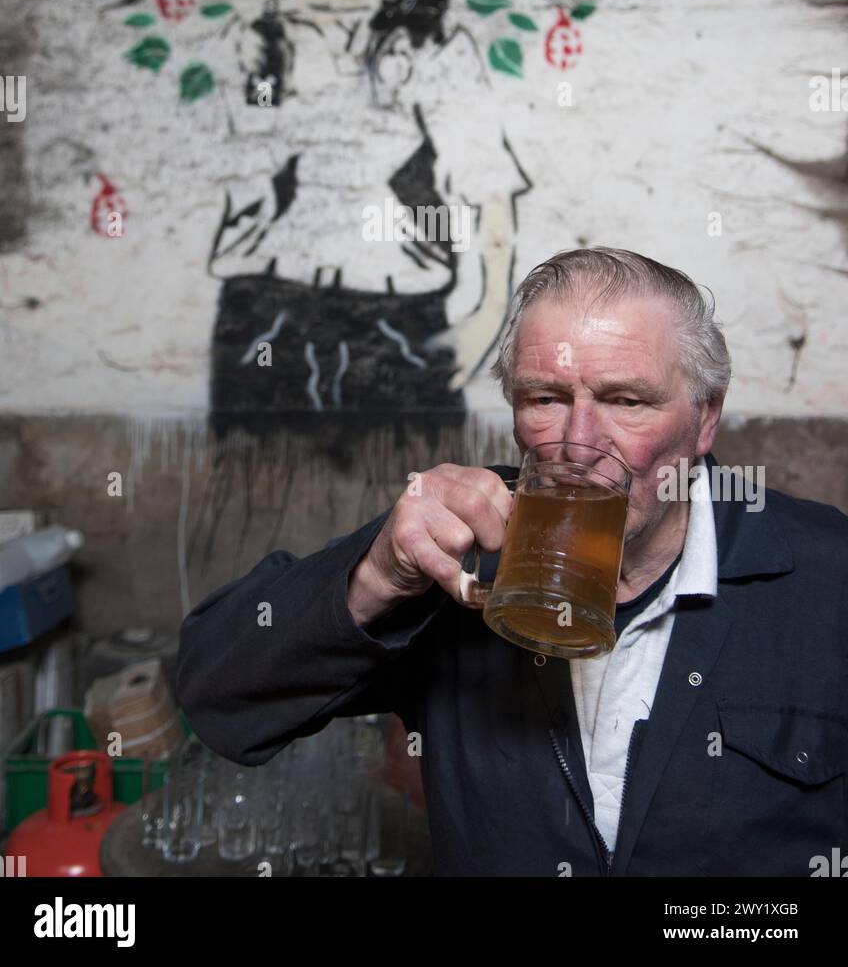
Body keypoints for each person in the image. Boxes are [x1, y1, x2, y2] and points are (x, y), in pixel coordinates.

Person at [176, 247, 848, 876]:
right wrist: (375, 579)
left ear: (705, 419)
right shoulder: (456, 549)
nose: (580, 445)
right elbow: (216, 698)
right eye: (546, 399)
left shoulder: (826, 577)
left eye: (625, 400)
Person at [208, 0, 530, 459]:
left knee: (411, 504)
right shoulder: (253, 45)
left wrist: (490, 316)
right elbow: (238, 179)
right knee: (262, 491)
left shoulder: (429, 43)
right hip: (263, 312)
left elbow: (488, 180)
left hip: (397, 314)